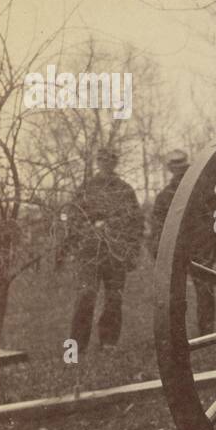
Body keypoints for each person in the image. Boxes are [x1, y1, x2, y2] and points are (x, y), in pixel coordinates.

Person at [66, 145, 143, 353]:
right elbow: (72, 218)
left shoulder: (125, 190)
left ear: (115, 162)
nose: (106, 164)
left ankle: (109, 342)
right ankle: (75, 347)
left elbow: (136, 223)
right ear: (97, 163)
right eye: (102, 160)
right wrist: (81, 239)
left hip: (116, 253)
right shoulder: (86, 188)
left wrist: (131, 252)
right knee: (85, 296)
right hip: (89, 253)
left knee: (114, 298)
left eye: (110, 160)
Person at [150, 149, 216, 336]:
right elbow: (157, 226)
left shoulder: (202, 190)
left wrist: (215, 241)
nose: (179, 171)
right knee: (175, 294)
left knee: (204, 290)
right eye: (175, 167)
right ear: (170, 169)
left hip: (201, 247)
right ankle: (177, 331)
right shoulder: (164, 196)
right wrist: (158, 251)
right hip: (176, 250)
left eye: (182, 167)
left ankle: (207, 330)